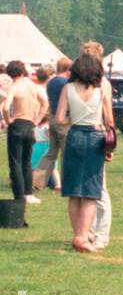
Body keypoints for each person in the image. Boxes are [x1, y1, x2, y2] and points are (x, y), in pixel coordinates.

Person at [56, 53, 114, 253]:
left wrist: (74, 116)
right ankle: (83, 237)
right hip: (96, 137)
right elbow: (110, 122)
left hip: (75, 135)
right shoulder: (101, 91)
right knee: (91, 191)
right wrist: (109, 148)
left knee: (73, 190)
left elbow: (60, 118)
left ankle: (77, 235)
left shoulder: (67, 88)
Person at [5, 61, 47, 204]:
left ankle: (18, 195)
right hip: (30, 125)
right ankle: (28, 194)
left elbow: (5, 107)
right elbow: (45, 104)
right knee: (26, 161)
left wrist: (8, 120)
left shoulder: (14, 87)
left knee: (15, 161)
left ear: (10, 74)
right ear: (23, 71)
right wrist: (36, 121)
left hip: (17, 124)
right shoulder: (32, 86)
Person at [34, 57, 72, 192]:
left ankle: (37, 180)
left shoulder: (51, 82)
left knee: (51, 152)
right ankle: (66, 183)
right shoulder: (66, 83)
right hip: (63, 120)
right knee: (66, 153)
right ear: (68, 69)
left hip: (52, 119)